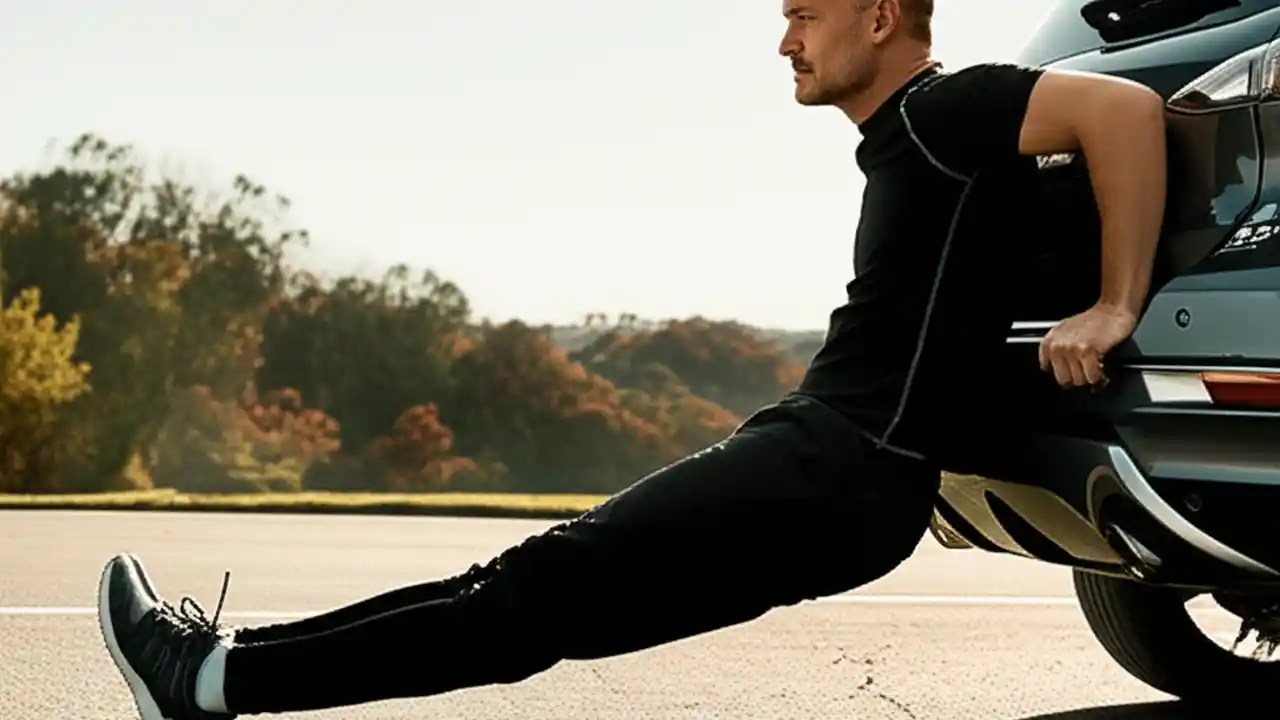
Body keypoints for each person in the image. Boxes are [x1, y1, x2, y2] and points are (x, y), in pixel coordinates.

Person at [96, 1, 1168, 717]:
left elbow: (1121, 108)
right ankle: (223, 673)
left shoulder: (942, 105)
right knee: (531, 611)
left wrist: (1111, 305)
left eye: (802, 13)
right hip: (846, 488)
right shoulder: (911, 138)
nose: (782, 39)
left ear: (880, 15)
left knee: (527, 591)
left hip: (830, 465)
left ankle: (206, 676)